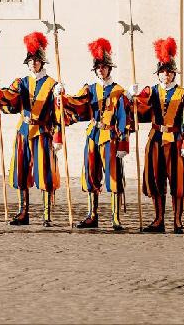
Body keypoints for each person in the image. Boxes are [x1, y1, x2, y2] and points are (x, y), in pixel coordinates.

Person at [131, 37, 184, 233]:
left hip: (176, 141)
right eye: (163, 72)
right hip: (155, 140)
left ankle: (178, 221)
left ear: (173, 74)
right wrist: (133, 97)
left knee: (178, 181)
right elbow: (140, 108)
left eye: (169, 72)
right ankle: (158, 219)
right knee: (156, 179)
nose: (166, 75)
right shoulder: (151, 91)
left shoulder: (183, 93)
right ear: (158, 74)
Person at [61, 38, 131, 231]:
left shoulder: (118, 92)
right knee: (90, 174)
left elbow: (124, 119)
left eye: (104, 67)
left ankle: (116, 218)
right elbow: (76, 103)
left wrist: (124, 144)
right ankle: (92, 215)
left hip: (110, 137)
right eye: (98, 67)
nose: (101, 70)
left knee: (114, 176)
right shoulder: (90, 89)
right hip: (93, 134)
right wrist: (62, 96)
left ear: (109, 69)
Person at [0, 32, 63, 227]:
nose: (33, 64)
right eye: (30, 60)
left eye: (36, 60)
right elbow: (10, 98)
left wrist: (61, 95)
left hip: (42, 132)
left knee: (45, 172)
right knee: (20, 170)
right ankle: (23, 212)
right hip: (24, 131)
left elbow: (58, 112)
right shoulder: (22, 82)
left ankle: (46, 215)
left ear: (42, 63)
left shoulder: (52, 85)